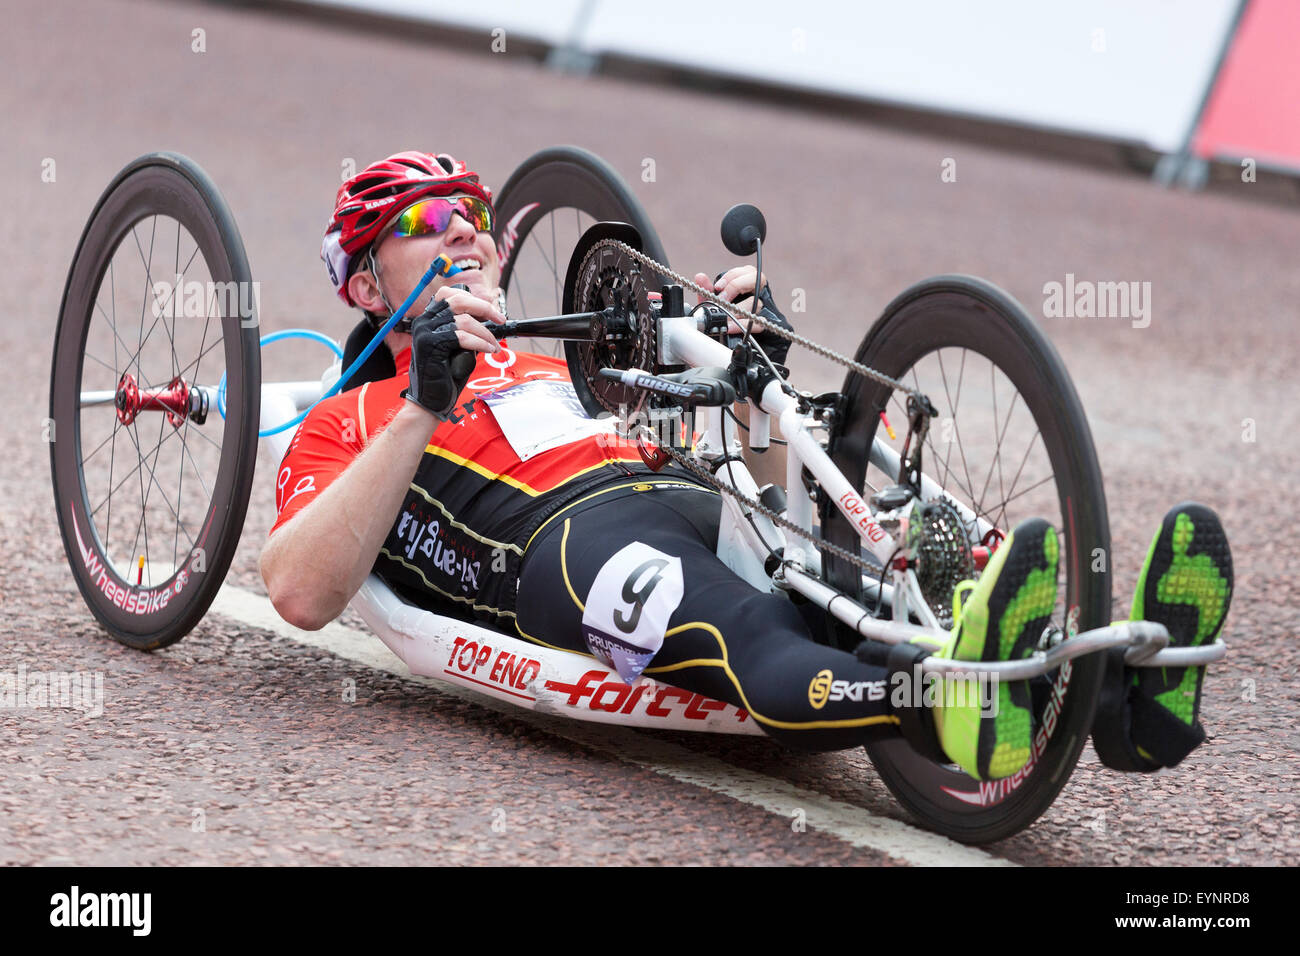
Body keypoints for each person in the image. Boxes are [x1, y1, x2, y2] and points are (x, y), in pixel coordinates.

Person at [260, 151, 1233, 782]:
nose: (465, 230)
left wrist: (746, 367)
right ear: (359, 281)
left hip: (692, 490)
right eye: (427, 224)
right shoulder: (348, 419)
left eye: (470, 212)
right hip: (568, 546)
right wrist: (425, 398)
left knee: (878, 560)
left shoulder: (557, 358)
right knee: (754, 628)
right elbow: (301, 588)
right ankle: (942, 703)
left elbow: (759, 465)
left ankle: (1120, 692)